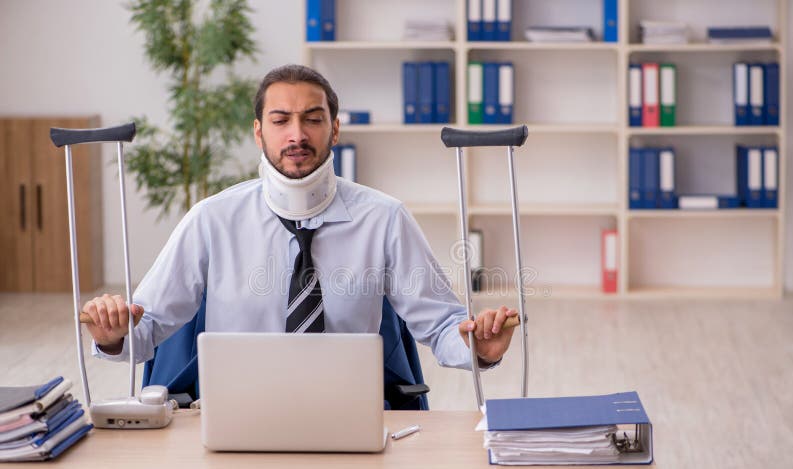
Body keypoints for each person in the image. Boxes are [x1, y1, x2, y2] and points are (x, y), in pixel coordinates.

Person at [83, 64, 517, 372]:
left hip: (346, 413)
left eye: (313, 119)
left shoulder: (385, 219)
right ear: (259, 132)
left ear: (335, 129)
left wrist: (479, 347)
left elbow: (442, 326)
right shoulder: (212, 220)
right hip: (239, 416)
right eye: (280, 121)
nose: (297, 135)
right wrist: (112, 334)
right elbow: (146, 328)